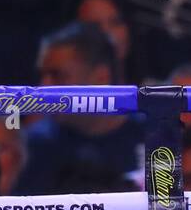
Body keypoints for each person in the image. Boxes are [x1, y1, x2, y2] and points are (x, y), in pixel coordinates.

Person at [22, 22, 144, 193]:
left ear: (101, 77)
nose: (44, 87)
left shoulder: (151, 134)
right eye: (43, 75)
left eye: (57, 75)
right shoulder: (34, 145)